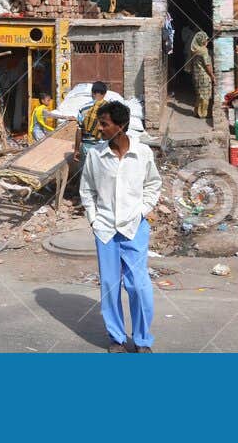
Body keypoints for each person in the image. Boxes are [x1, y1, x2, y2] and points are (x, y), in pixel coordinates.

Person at [80, 101, 160, 352]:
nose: (99, 129)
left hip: (134, 227)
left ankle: (142, 339)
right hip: (105, 230)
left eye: (104, 124)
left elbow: (153, 185)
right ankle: (116, 337)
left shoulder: (142, 153)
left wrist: (142, 211)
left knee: (139, 286)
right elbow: (87, 190)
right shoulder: (96, 155)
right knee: (109, 285)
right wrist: (94, 219)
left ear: (121, 125)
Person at [185, 31, 214, 121]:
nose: (207, 41)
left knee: (199, 94)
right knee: (205, 95)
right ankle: (203, 113)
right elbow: (208, 65)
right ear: (201, 40)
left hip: (196, 75)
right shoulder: (204, 51)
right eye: (206, 39)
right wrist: (212, 75)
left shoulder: (194, 50)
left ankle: (197, 112)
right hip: (204, 76)